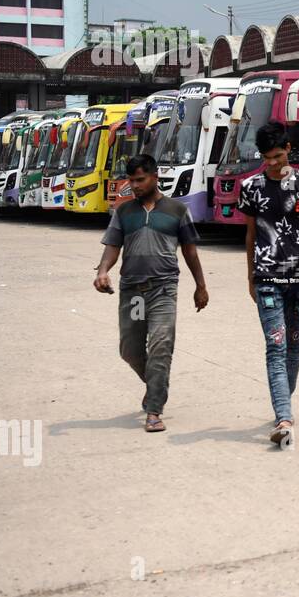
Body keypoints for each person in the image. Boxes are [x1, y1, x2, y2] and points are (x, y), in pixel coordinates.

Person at [238, 120, 299, 447]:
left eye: (278, 156)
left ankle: (284, 399)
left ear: (289, 150)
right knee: (276, 346)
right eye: (267, 158)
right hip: (268, 277)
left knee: (294, 344)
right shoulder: (251, 188)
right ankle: (284, 417)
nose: (272, 164)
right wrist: (251, 276)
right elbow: (251, 235)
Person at [95, 153, 209, 432]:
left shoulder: (177, 210)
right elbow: (112, 246)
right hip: (133, 290)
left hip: (163, 289)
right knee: (130, 350)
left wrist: (201, 286)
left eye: (140, 180)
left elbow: (190, 251)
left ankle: (154, 409)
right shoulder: (124, 212)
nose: (134, 186)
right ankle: (155, 383)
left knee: (160, 346)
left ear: (155, 177)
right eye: (131, 180)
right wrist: (102, 271)